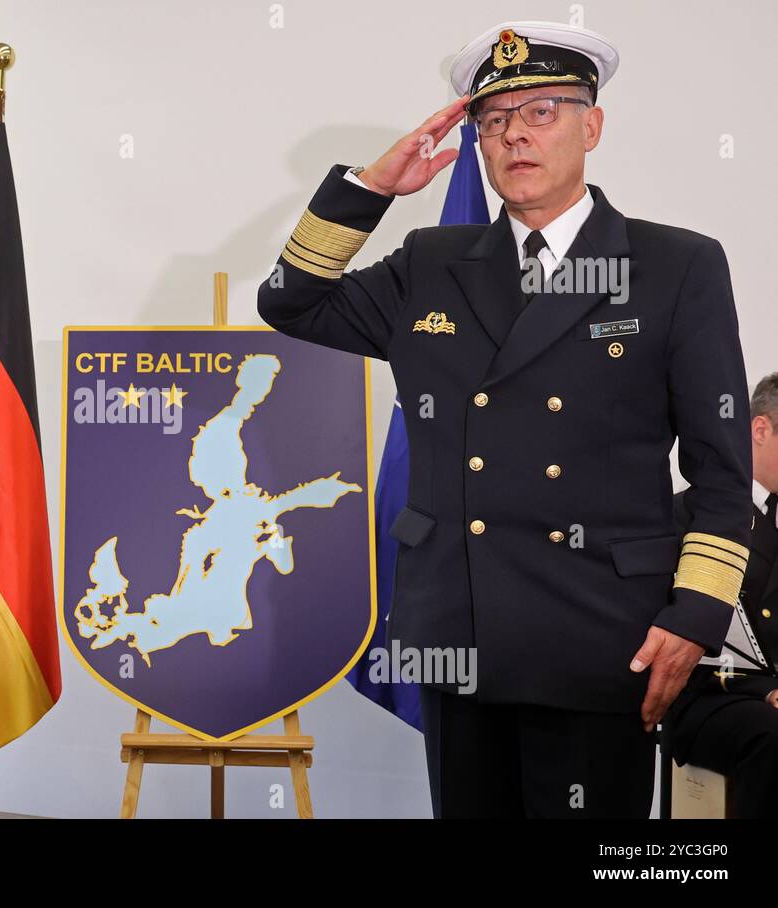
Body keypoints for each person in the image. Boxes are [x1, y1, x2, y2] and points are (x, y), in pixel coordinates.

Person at [257, 21, 751, 817]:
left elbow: (723, 475)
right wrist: (371, 188)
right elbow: (290, 300)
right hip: (462, 629)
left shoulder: (676, 265)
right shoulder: (431, 263)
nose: (515, 133)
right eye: (493, 120)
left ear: (592, 125)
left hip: (602, 636)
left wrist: (695, 617)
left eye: (543, 111)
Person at [665, 375, 778, 817]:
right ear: (760, 430)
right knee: (771, 738)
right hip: (709, 697)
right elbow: (677, 626)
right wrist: (767, 689)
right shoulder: (685, 514)